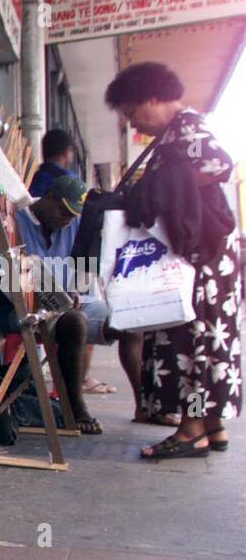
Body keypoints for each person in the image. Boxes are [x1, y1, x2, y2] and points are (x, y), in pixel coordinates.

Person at [103, 62, 241, 459]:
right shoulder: (178, 132)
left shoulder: (187, 129)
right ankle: (212, 428)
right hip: (207, 257)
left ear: (151, 97)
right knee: (205, 344)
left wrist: (157, 187)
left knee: (191, 344)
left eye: (133, 111)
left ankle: (190, 431)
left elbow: (218, 164)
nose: (134, 122)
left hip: (200, 261)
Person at [0, 174, 111, 434]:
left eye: (73, 216)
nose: (67, 220)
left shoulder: (72, 226)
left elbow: (83, 268)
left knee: (122, 319)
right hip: (22, 311)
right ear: (49, 198)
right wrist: (23, 289)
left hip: (64, 304)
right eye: (64, 212)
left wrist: (76, 289)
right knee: (74, 323)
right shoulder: (15, 221)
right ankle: (75, 406)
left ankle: (155, 407)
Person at [28, 129, 76, 197]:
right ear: (66, 152)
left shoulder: (36, 179)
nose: (72, 154)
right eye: (71, 150)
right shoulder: (72, 183)